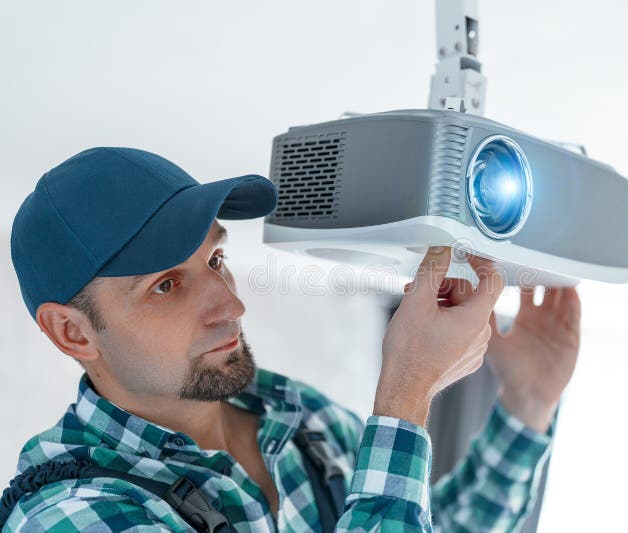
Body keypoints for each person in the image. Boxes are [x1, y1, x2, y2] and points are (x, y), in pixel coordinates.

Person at [5, 147, 581, 532]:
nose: (231, 305)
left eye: (216, 258)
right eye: (167, 285)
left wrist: (527, 406)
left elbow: (419, 518)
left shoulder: (303, 422)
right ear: (72, 331)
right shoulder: (70, 515)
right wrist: (404, 397)